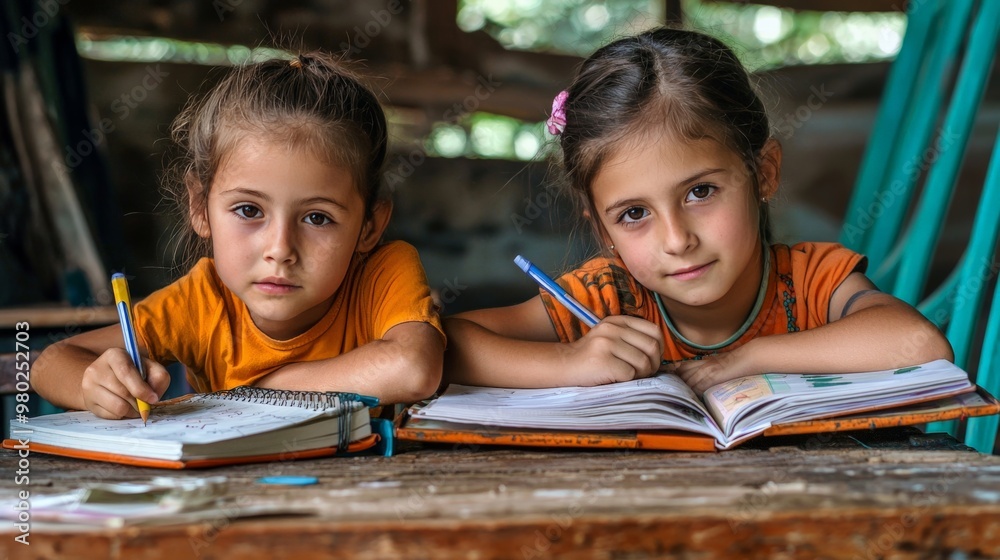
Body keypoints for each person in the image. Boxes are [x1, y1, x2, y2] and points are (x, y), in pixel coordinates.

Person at [444, 27, 953, 393]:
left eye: (700, 192)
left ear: (765, 173)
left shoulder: (811, 282)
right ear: (601, 227)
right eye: (633, 215)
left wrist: (749, 358)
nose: (676, 239)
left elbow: (916, 342)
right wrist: (568, 362)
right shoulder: (608, 298)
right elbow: (448, 343)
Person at [33, 52, 445, 419]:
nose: (280, 249)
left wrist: (254, 392)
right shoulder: (200, 303)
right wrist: (98, 384)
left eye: (318, 218)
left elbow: (413, 368)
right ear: (200, 206)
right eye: (249, 211)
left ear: (369, 225)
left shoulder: (382, 277)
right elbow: (49, 363)